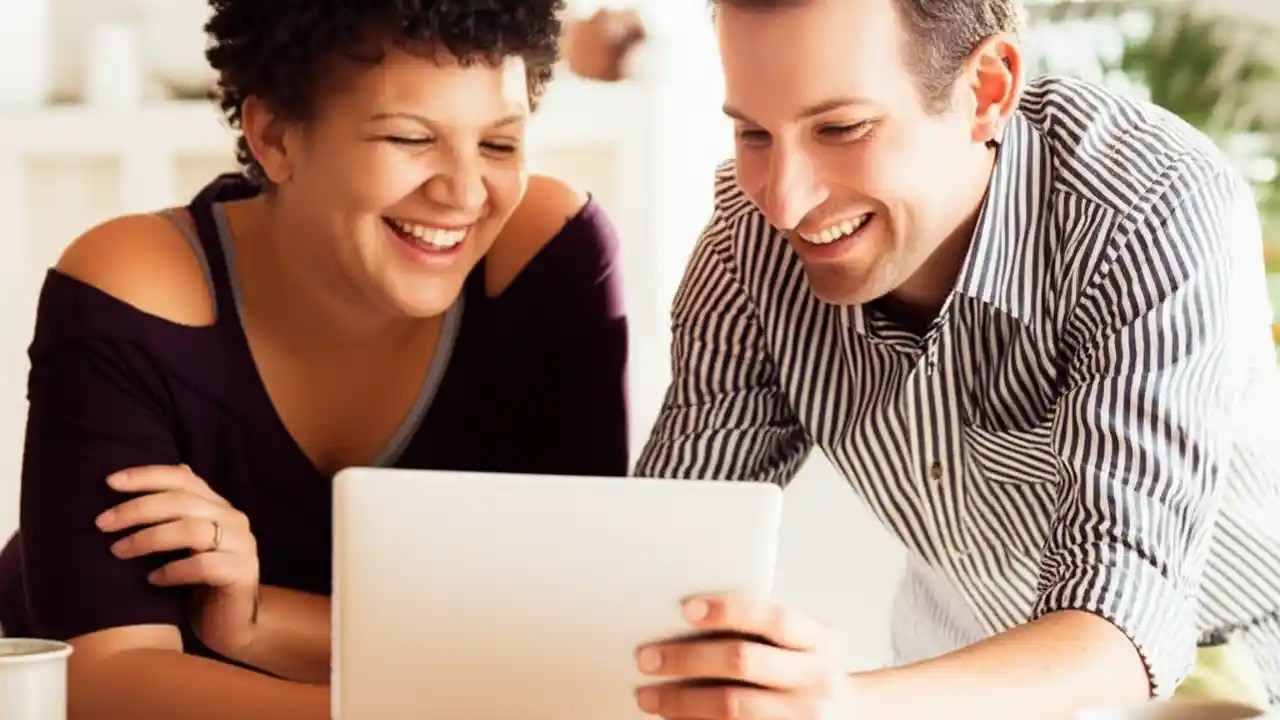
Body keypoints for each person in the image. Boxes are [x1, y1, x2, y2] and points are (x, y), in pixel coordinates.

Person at [631, 0, 1280, 717]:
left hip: (1230, 661)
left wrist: (845, 705)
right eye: (753, 132)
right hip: (945, 669)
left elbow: (1125, 623)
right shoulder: (748, 242)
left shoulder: (1148, 204)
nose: (784, 201)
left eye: (841, 128)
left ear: (987, 90)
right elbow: (670, 550)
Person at [0, 0, 629, 717]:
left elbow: (570, 639)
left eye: (498, 145)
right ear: (274, 136)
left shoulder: (546, 260)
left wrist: (262, 622)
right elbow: (105, 684)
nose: (463, 192)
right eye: (410, 138)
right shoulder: (137, 286)